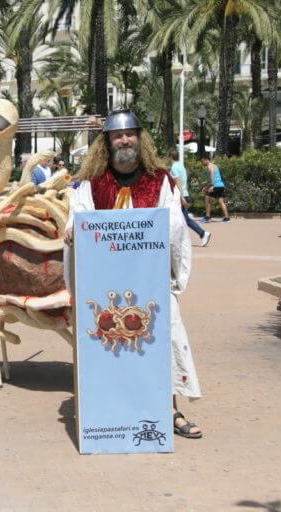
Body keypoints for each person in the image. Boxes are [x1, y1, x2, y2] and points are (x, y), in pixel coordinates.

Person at [63, 109, 202, 439]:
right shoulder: (91, 184)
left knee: (163, 339)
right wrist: (72, 231)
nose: (124, 139)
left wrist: (173, 277)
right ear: (107, 142)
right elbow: (77, 218)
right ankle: (111, 411)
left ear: (140, 137)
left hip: (149, 279)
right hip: (106, 282)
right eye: (117, 135)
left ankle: (169, 410)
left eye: (129, 134)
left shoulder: (160, 180)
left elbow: (176, 229)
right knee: (109, 341)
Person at [170, 151, 211, 247]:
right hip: (184, 194)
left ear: (170, 157)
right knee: (181, 219)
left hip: (180, 196)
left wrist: (182, 198)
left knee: (183, 219)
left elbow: (178, 182)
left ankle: (203, 233)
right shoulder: (181, 166)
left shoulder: (174, 167)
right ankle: (180, 239)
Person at [199, 156, 229, 223]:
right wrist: (207, 186)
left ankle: (207, 217)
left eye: (202, 161)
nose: (202, 163)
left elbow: (212, 173)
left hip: (216, 186)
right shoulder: (214, 165)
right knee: (221, 201)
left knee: (207, 199)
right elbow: (216, 177)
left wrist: (212, 186)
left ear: (206, 160)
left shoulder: (209, 166)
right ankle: (227, 218)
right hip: (221, 186)